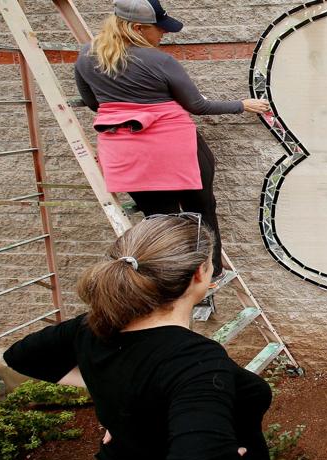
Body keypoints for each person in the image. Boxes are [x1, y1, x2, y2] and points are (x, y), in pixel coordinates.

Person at [5, 214, 274, 460]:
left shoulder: (93, 327)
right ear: (200, 273)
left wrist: (123, 409)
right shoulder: (196, 361)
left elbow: (19, 356)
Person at [74, 0, 270, 281]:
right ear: (137, 28)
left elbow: (94, 104)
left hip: (126, 153)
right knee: (200, 212)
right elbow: (197, 105)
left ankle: (172, 281)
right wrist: (241, 104)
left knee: (160, 220)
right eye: (159, 29)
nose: (163, 34)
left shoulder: (85, 57)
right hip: (174, 148)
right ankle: (208, 276)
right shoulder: (159, 60)